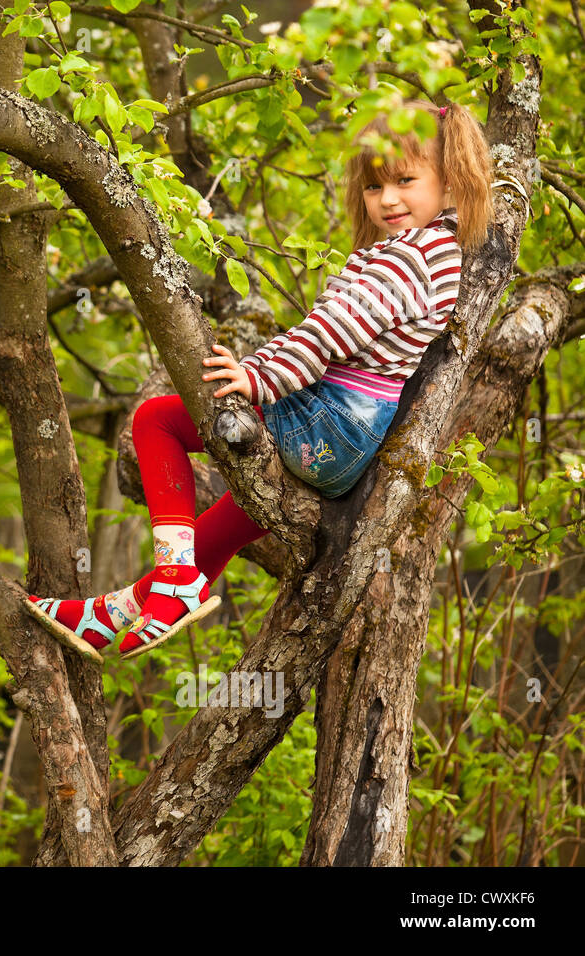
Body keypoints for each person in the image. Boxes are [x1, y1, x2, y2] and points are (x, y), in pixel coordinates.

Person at [31, 98, 494, 661]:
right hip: (348, 441)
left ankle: (173, 581)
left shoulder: (408, 258)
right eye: (374, 187)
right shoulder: (436, 253)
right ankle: (111, 616)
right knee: (220, 528)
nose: (388, 199)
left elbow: (330, 333)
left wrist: (258, 377)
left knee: (157, 420)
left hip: (331, 417)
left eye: (405, 180)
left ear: (450, 184)